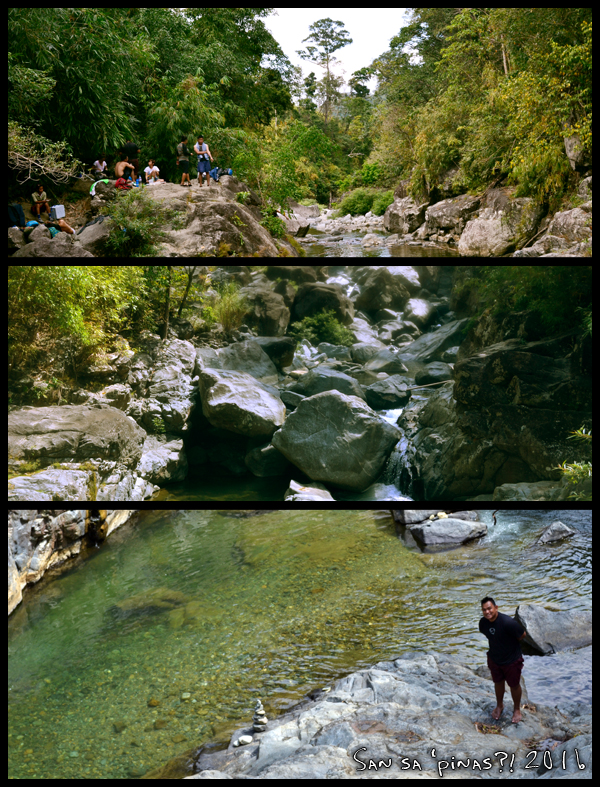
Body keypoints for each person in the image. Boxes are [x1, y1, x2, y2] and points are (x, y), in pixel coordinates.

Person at [479, 596, 527, 723]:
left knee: (514, 684)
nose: (487, 612)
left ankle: (517, 709)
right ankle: (499, 705)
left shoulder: (508, 623)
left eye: (489, 609)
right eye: (484, 610)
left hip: (512, 659)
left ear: (496, 608)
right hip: (495, 658)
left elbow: (522, 634)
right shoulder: (483, 623)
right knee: (498, 682)